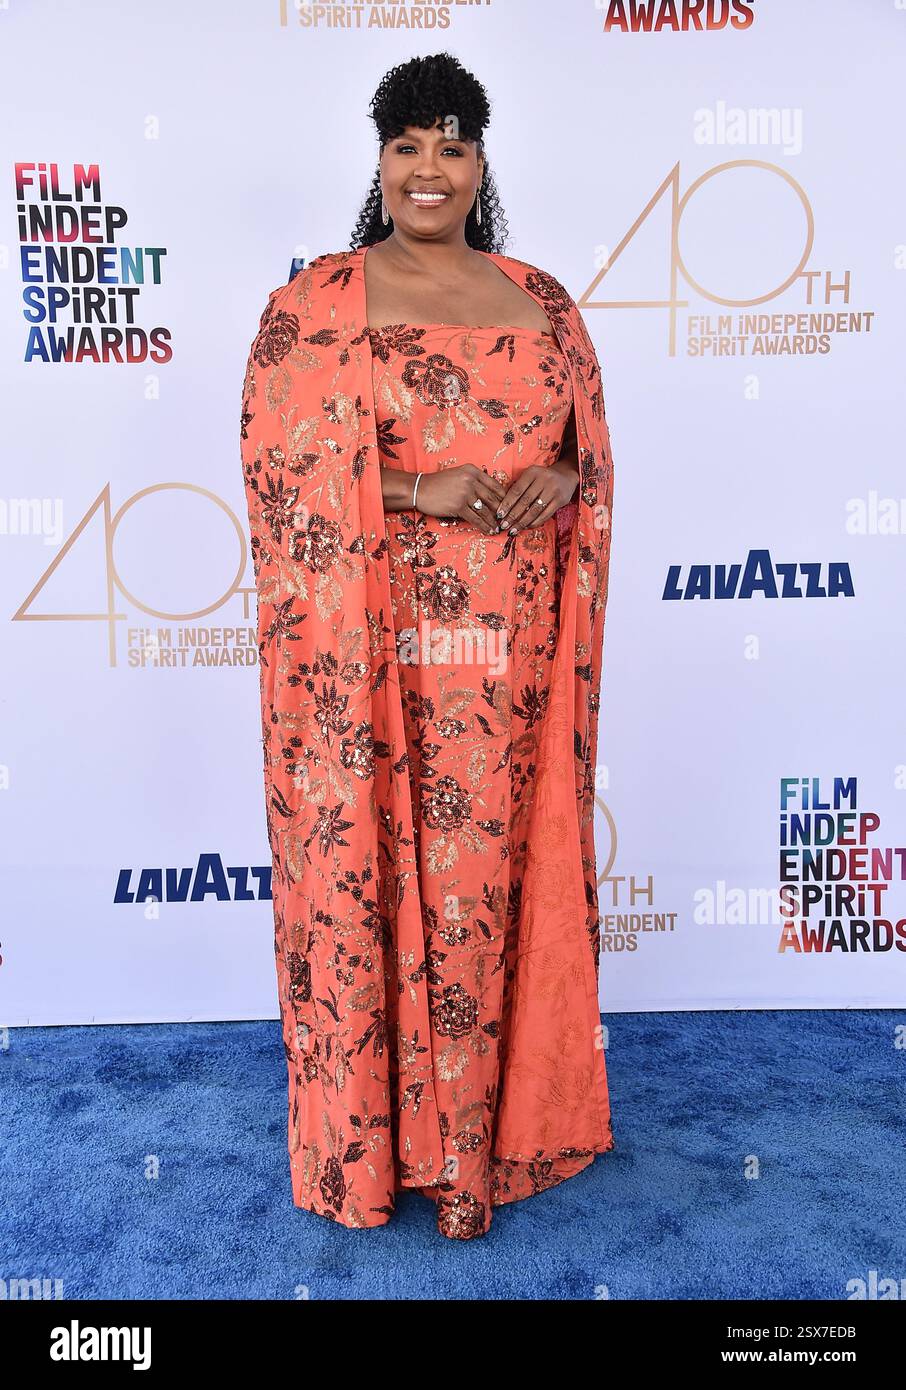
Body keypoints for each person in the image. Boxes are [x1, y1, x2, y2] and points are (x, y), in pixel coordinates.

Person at [240, 51, 616, 1241]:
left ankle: (480, 1140)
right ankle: (384, 1142)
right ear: (381, 159)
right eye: (408, 145)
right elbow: (281, 468)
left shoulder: (545, 299)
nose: (430, 168)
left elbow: (583, 453)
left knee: (482, 884)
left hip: (509, 653)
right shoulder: (319, 303)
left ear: (481, 162)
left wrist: (561, 476)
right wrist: (420, 488)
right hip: (375, 653)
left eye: (453, 146)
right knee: (380, 862)